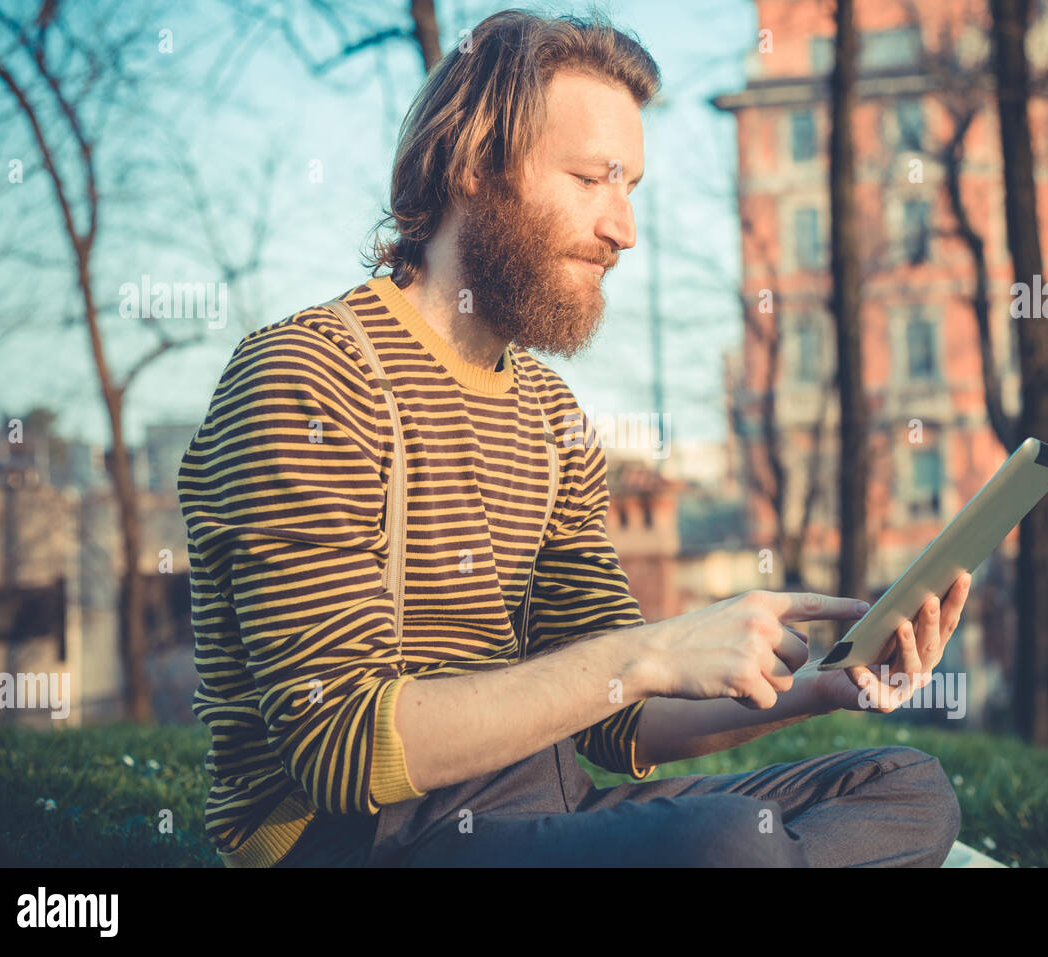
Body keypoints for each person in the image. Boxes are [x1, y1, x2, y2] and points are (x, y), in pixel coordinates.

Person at [178, 9, 968, 869]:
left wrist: (818, 688)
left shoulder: (549, 413)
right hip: (358, 837)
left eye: (630, 190)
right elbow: (341, 748)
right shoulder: (311, 372)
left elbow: (616, 713)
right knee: (730, 845)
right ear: (476, 162)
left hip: (541, 803)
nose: (623, 231)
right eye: (593, 179)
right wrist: (652, 649)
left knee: (905, 787)